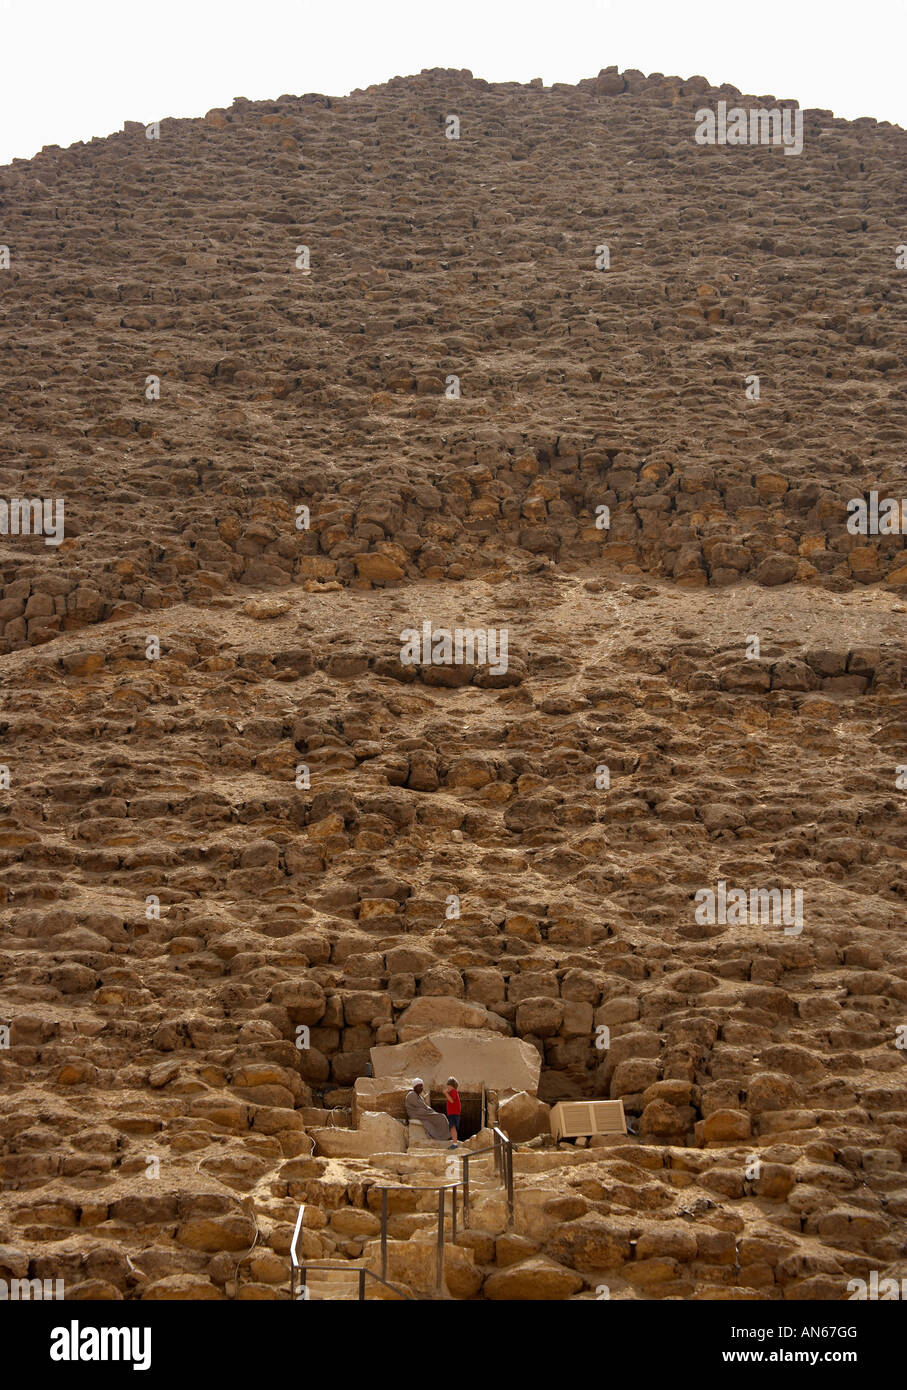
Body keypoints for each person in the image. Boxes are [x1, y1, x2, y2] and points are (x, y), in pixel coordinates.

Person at [444, 1077, 461, 1150]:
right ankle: (454, 1142)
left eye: (448, 1085)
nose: (447, 1087)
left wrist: (445, 1093)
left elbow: (451, 1101)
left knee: (453, 1127)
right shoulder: (452, 1092)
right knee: (452, 1128)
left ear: (451, 1085)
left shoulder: (453, 1091)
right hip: (452, 1113)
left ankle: (455, 1143)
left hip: (454, 1113)